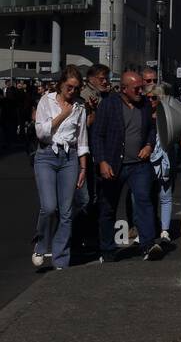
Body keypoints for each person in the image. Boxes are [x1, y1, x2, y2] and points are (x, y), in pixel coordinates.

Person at [90, 70, 161, 262]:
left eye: (142, 87)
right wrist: (102, 161)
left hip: (139, 164)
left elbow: (151, 128)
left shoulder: (145, 104)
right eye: (136, 88)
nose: (141, 91)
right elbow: (96, 135)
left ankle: (148, 245)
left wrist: (149, 145)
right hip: (114, 164)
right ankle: (107, 250)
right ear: (123, 89)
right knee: (108, 207)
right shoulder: (109, 105)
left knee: (144, 200)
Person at [31, 65, 89, 271]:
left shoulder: (81, 107)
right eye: (69, 87)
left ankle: (60, 259)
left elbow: (82, 139)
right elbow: (42, 133)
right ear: (61, 84)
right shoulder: (46, 101)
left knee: (65, 212)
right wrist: (63, 114)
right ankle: (40, 244)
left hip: (70, 158)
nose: (72, 92)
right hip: (46, 155)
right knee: (49, 207)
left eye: (76, 88)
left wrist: (83, 168)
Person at [148, 87, 173, 243]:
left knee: (165, 195)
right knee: (145, 196)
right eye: (148, 97)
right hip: (146, 158)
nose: (151, 101)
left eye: (154, 98)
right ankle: (147, 229)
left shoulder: (167, 115)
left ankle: (165, 230)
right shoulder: (143, 114)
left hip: (164, 157)